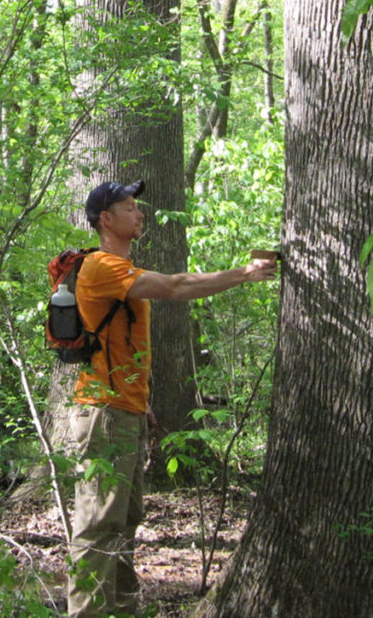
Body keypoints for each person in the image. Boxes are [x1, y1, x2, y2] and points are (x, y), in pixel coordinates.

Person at [65, 179, 278, 618]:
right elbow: (177, 287)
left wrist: (141, 403)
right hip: (103, 415)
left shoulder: (118, 267)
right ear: (105, 220)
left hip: (123, 410)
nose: (139, 213)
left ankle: (119, 611)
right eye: (129, 208)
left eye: (137, 207)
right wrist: (245, 274)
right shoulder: (103, 267)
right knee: (98, 528)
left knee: (123, 523)